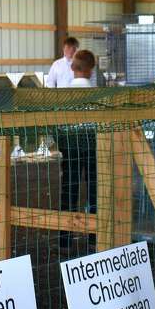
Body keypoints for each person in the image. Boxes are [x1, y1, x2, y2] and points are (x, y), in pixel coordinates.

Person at [59, 50, 98, 222]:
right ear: (91, 69)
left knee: (69, 187)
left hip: (70, 144)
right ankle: (94, 237)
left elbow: (59, 125)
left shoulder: (63, 95)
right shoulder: (97, 94)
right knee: (94, 189)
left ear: (73, 68)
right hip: (92, 144)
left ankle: (64, 240)